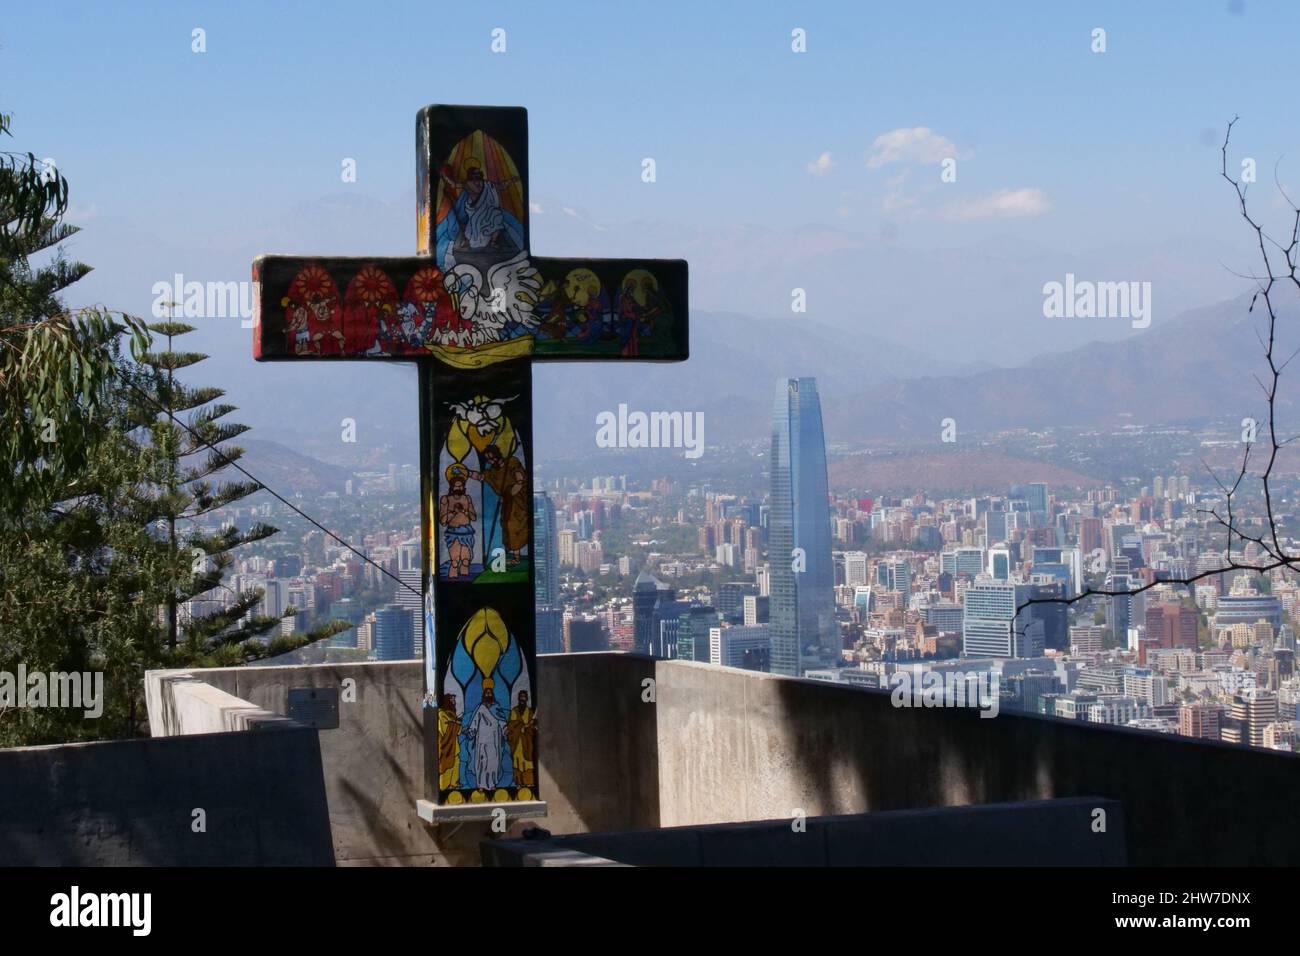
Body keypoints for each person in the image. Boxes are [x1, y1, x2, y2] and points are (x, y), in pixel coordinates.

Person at [472, 446, 528, 565]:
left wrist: (511, 491)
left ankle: (517, 558)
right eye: (489, 460)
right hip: (507, 504)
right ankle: (512, 554)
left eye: (492, 458)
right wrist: (466, 473)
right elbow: (480, 477)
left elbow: (520, 479)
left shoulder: (512, 462)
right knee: (506, 526)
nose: (491, 461)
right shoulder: (492, 472)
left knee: (514, 526)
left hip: (518, 502)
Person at [463, 681, 507, 790]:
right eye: (486, 693)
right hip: (482, 741)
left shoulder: (497, 708)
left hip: (494, 741)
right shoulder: (480, 708)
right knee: (482, 763)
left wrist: (506, 731)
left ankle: (492, 784)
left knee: (493, 762)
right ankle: (481, 784)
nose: (488, 695)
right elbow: (474, 723)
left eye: (489, 693)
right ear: (483, 695)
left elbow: (503, 723)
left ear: (492, 695)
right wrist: (469, 731)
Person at [438, 464, 477, 578]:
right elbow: (443, 521)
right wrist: (454, 512)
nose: (459, 489)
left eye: (461, 486)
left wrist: (465, 512)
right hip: (453, 533)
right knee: (455, 562)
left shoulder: (467, 498)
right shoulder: (446, 499)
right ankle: (452, 582)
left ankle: (466, 583)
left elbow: (474, 517)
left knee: (466, 561)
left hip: (467, 532)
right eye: (456, 486)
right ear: (451, 487)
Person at [505, 690, 537, 788]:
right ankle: (519, 782)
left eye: (524, 697)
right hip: (517, 742)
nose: (522, 699)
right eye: (521, 697)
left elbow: (533, 726)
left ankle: (529, 781)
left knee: (528, 762)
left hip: (526, 742)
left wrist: (527, 727)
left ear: (526, 699)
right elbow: (511, 724)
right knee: (517, 762)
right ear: (518, 698)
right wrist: (521, 726)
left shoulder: (529, 712)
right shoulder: (514, 711)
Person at [437, 693, 461, 791]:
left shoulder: (451, 714)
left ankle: (454, 784)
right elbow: (445, 729)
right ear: (447, 701)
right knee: (447, 766)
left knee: (456, 763)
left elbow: (458, 731)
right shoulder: (441, 714)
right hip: (446, 747)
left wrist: (456, 723)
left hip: (454, 746)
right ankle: (445, 786)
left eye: (454, 700)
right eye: (452, 700)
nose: (454, 702)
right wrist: (456, 723)